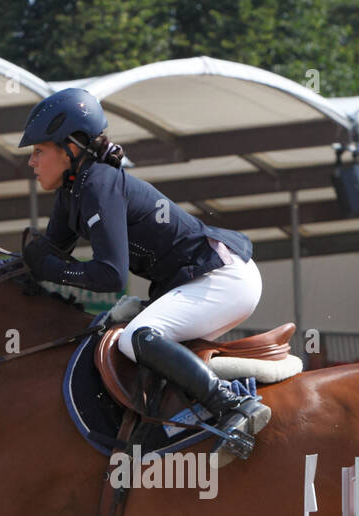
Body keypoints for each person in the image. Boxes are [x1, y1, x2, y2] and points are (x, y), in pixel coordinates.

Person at [19, 88, 268, 465]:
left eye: (39, 151)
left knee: (136, 337)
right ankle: (175, 423)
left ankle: (235, 406)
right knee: (118, 331)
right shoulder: (75, 193)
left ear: (71, 147)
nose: (31, 162)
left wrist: (50, 269)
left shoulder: (99, 185)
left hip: (224, 278)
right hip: (200, 280)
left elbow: (109, 275)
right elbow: (46, 256)